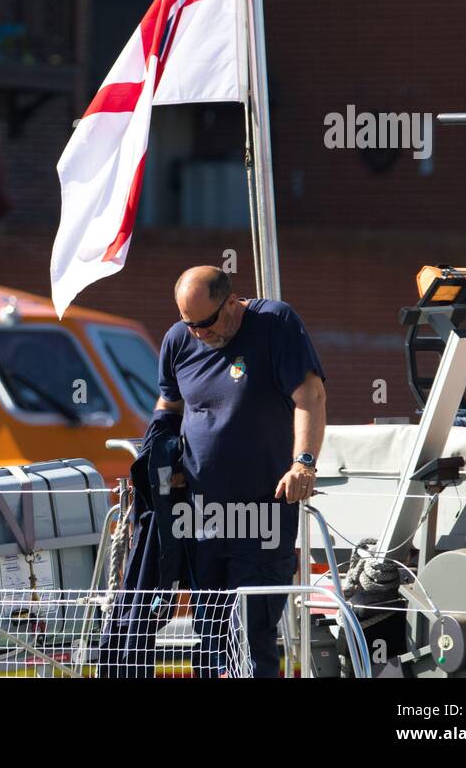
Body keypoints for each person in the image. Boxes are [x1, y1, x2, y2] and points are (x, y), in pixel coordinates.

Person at [152, 266, 326, 678]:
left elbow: (311, 396)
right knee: (209, 633)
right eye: (188, 323)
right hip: (200, 514)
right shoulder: (179, 340)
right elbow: (169, 409)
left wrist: (303, 463)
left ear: (231, 301)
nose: (198, 333)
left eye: (206, 322)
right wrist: (161, 462)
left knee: (251, 631)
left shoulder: (275, 323)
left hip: (262, 512)